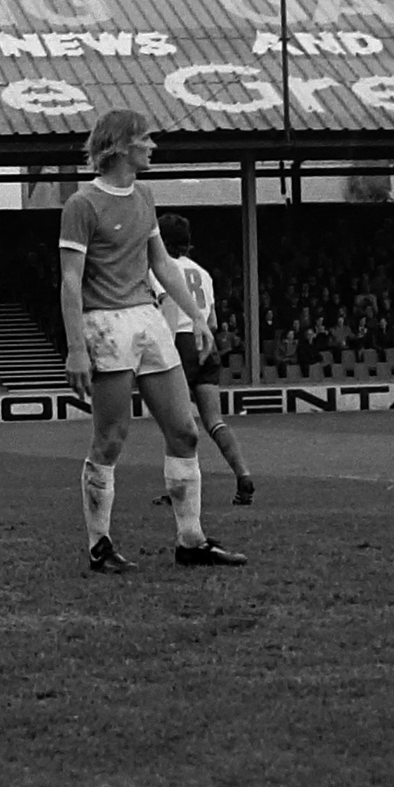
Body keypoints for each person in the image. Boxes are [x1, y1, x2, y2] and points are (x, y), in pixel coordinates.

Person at [59, 108, 247, 572]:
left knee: (184, 429)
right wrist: (76, 347)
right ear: (121, 145)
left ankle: (191, 540)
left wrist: (197, 317)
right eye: (145, 139)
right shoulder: (82, 205)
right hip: (106, 323)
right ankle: (99, 545)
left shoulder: (144, 195)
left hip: (147, 317)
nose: (153, 146)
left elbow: (161, 263)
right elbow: (69, 280)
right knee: (111, 438)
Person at [149, 214, 255, 507]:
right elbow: (213, 320)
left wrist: (166, 349)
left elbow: (169, 305)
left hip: (181, 343)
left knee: (176, 425)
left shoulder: (161, 269)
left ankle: (180, 492)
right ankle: (242, 475)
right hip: (206, 344)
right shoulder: (203, 273)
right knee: (214, 421)